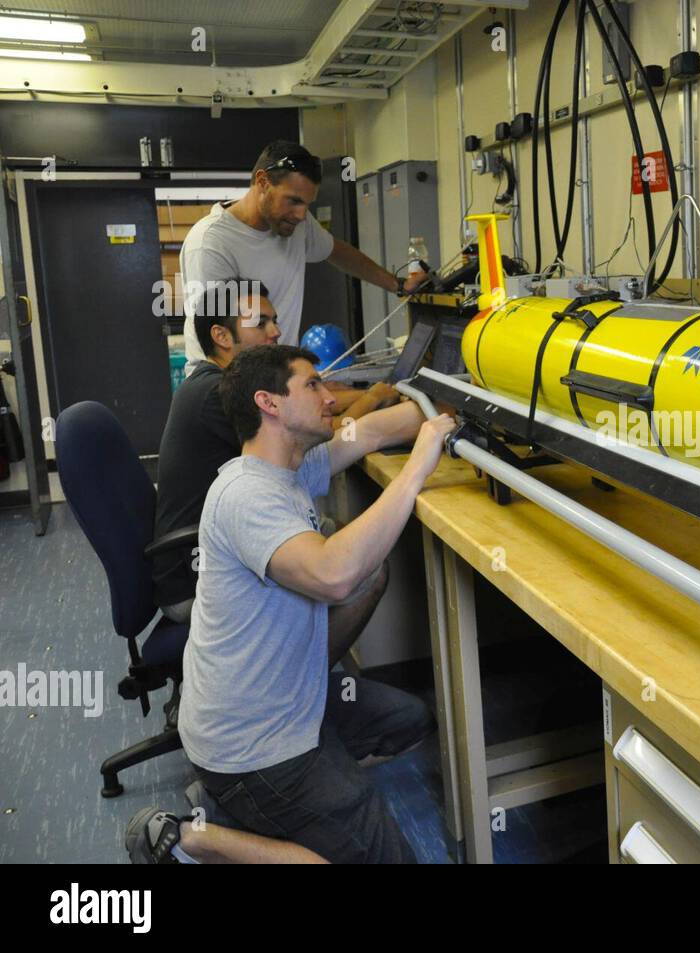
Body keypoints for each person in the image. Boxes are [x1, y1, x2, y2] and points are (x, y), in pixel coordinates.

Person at [176, 344, 456, 863]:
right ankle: (201, 837)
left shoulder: (294, 468)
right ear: (269, 403)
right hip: (252, 744)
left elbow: (372, 430)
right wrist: (418, 467)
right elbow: (333, 575)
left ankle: (272, 809)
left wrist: (458, 404)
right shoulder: (244, 494)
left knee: (409, 719)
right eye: (312, 386)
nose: (331, 398)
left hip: (292, 701)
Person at [153, 285, 399, 622]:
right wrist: (370, 399)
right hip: (194, 574)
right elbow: (320, 429)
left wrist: (359, 397)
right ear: (222, 336)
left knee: (350, 538)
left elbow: (311, 410)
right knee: (363, 567)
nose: (276, 331)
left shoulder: (211, 383)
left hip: (219, 544)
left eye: (275, 321)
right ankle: (304, 673)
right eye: (262, 323)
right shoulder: (215, 395)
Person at [179, 140, 427, 375]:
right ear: (263, 182)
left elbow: (336, 251)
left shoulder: (297, 224)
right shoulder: (210, 244)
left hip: (273, 375)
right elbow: (218, 340)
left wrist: (398, 285)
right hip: (227, 383)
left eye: (307, 204)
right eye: (294, 201)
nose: (300, 214)